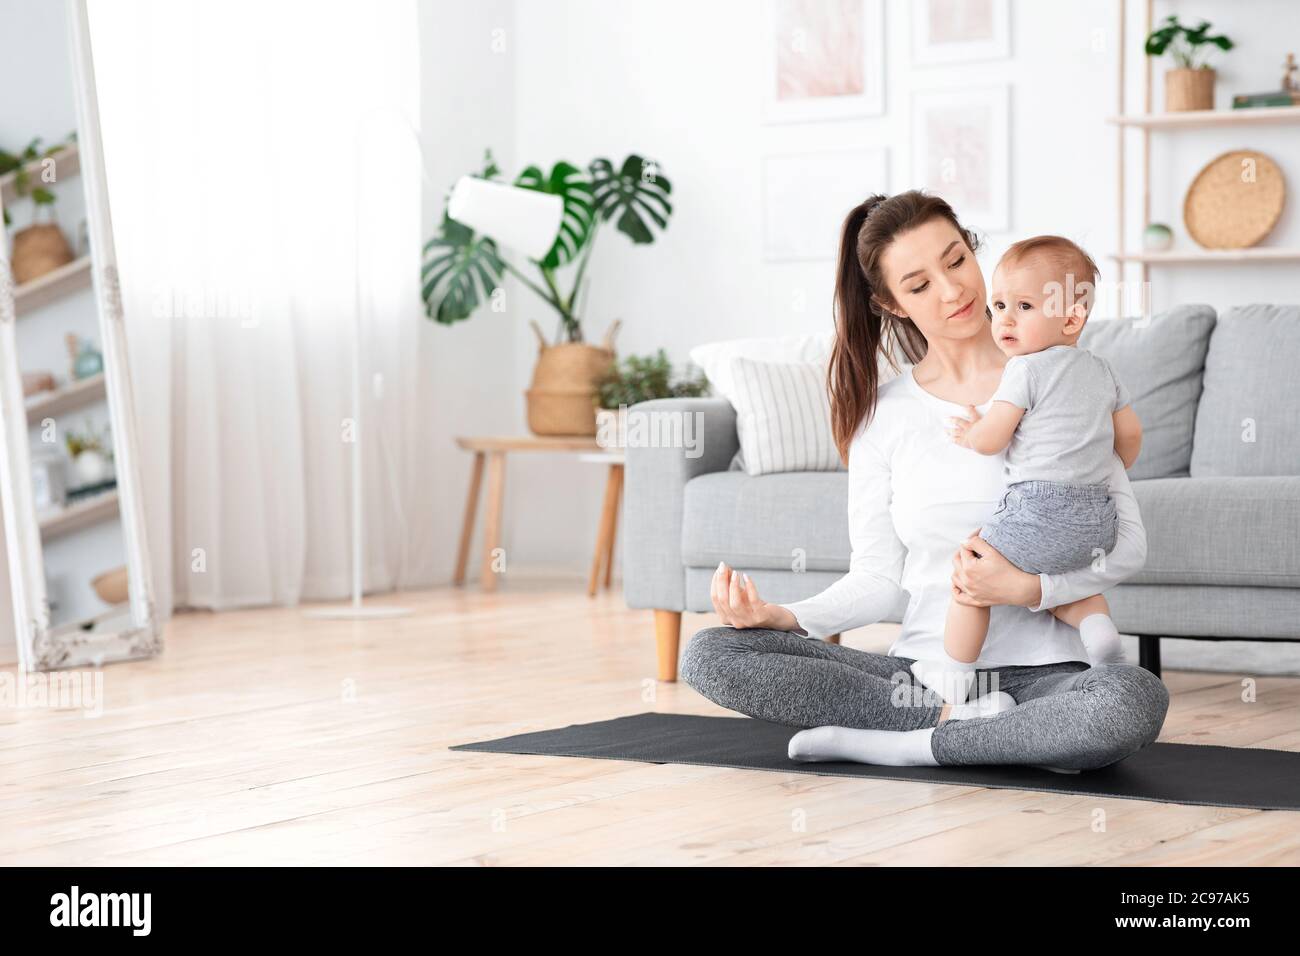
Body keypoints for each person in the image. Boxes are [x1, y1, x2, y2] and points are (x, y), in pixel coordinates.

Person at [678, 191, 1169, 772]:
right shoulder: (883, 415)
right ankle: (978, 730)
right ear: (891, 303)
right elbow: (879, 579)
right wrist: (784, 616)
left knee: (1128, 703)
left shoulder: (1064, 377)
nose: (953, 290)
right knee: (712, 654)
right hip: (924, 677)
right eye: (919, 284)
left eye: (957, 260)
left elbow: (1120, 543)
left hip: (1051, 677)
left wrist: (1027, 590)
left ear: (974, 250)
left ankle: (914, 745)